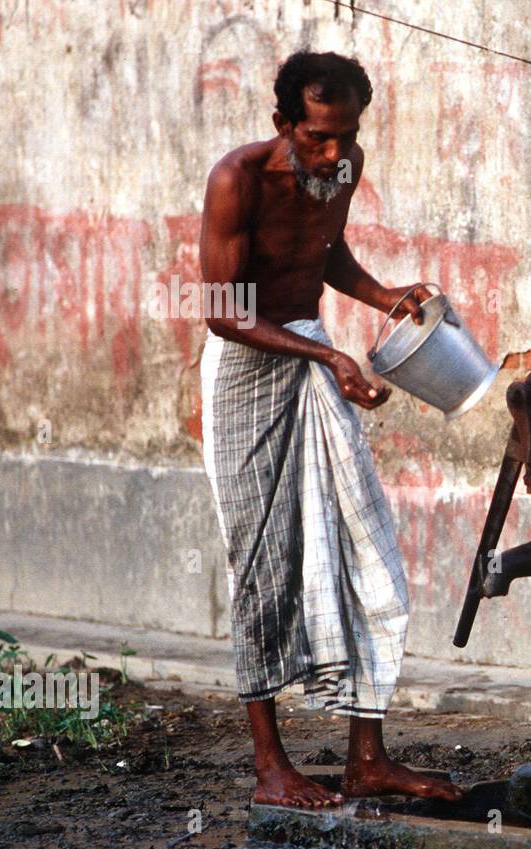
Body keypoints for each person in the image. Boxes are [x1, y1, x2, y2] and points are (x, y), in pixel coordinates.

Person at [198, 50, 461, 809]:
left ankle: (366, 758)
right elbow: (223, 312)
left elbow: (325, 250)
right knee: (262, 564)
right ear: (284, 123)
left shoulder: (344, 165)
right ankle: (270, 768)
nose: (334, 152)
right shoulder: (237, 180)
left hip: (312, 354)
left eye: (347, 134)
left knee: (364, 548)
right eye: (318, 137)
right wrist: (329, 356)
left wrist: (384, 296)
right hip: (247, 373)